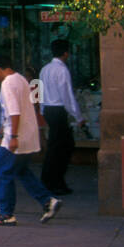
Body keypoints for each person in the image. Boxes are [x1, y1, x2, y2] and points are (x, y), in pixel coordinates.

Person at [0, 55, 59, 226]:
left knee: (3, 174)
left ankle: (6, 213)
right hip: (26, 136)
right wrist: (2, 133)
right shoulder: (22, 79)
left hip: (15, 137)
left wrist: (12, 136)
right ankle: (47, 201)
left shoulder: (8, 83)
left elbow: (13, 112)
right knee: (21, 171)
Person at [39, 39, 83, 196]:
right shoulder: (62, 70)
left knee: (58, 147)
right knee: (60, 148)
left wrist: (43, 110)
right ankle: (52, 181)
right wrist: (78, 116)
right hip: (58, 110)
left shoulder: (45, 69)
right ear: (66, 53)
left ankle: (54, 180)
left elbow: (41, 92)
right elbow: (67, 95)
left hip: (49, 110)